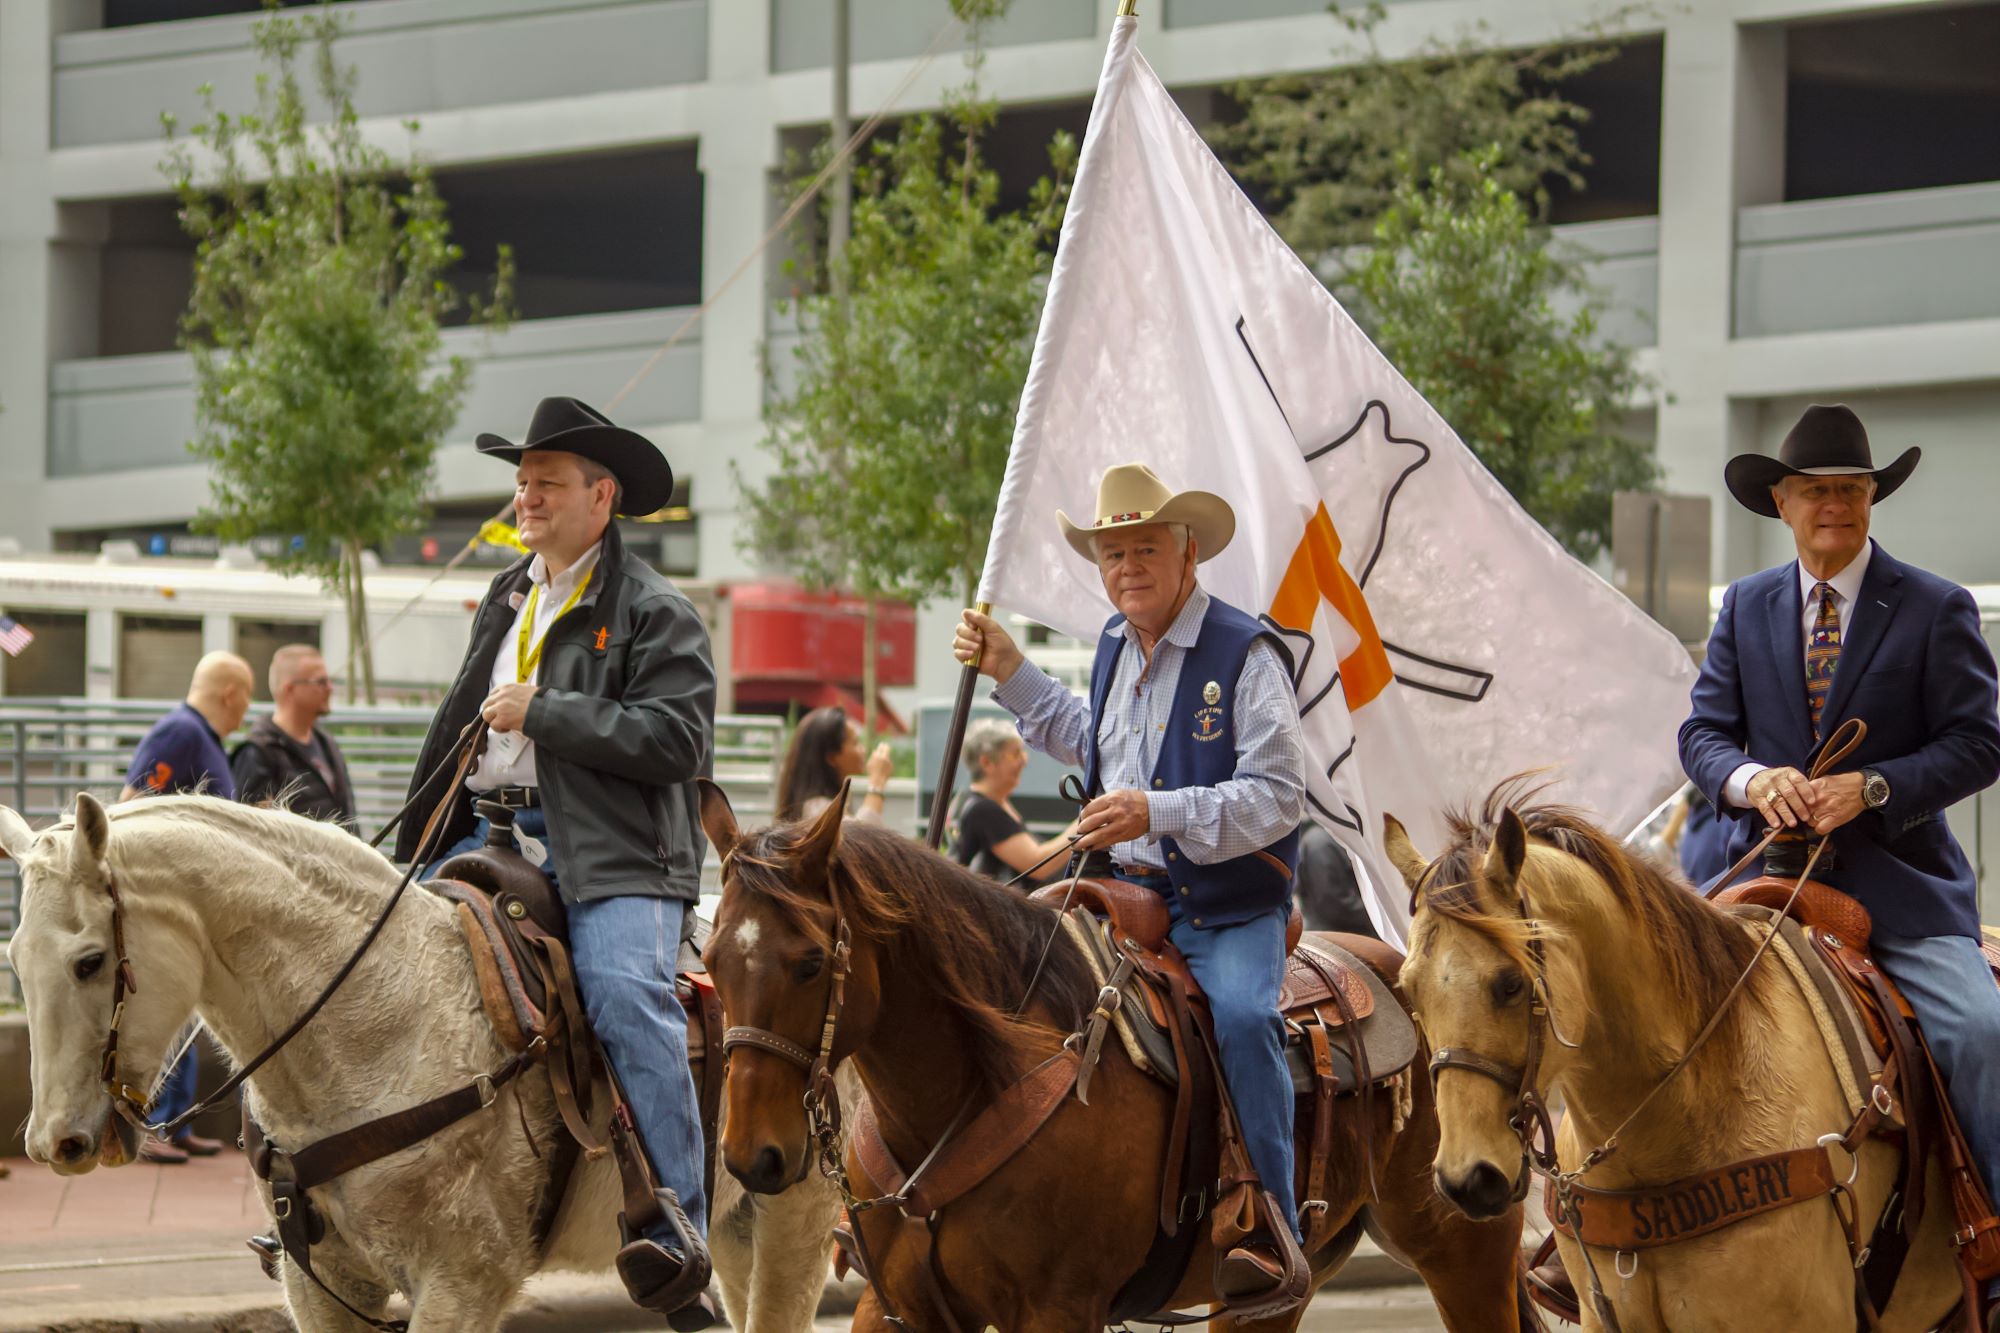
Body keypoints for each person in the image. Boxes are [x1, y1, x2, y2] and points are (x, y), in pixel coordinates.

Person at [951, 461, 1310, 1308]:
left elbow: (1279, 797)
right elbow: (1093, 741)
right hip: (1120, 894)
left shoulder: (1245, 650)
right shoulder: (1115, 642)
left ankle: (1272, 1222)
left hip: (1224, 906)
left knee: (1249, 1018)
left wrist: (1157, 810)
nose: (1126, 568)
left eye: (1145, 548)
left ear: (1191, 554)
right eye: (1112, 555)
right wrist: (1010, 668)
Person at [395, 397, 717, 1328]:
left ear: (601, 496)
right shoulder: (506, 593)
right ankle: (348, 1203)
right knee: (366, 964)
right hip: (486, 833)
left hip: (616, 855)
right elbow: (456, 718)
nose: (527, 496)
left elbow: (676, 738)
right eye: (522, 481)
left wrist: (544, 711)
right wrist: (414, 827)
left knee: (625, 997)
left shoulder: (656, 610)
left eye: (547, 482)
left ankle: (678, 1233)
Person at [1679, 403, 2000, 1326]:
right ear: (1781, 503)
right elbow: (1702, 733)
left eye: (1852, 490)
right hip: (1766, 877)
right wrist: (1748, 779)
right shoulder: (1744, 606)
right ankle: (1586, 1224)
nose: (1835, 505)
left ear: (1872, 500)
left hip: (1902, 892)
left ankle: (1996, 1233)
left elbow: (1978, 745)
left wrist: (1872, 789)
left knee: (1979, 1036)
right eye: (1816, 490)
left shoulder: (1937, 605)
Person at [116, 650, 252, 1163]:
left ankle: (172, 1122)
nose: (246, 710)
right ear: (230, 694)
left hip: (192, 901)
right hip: (167, 900)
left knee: (191, 1013)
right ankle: (152, 1124)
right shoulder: (181, 732)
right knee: (167, 1012)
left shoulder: (200, 738)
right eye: (246, 696)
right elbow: (133, 805)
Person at [230, 644, 358, 831]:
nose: (329, 688)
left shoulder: (325, 742)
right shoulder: (258, 753)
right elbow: (254, 835)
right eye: (320, 682)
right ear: (290, 688)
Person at [947, 717, 1075, 884]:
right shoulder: (984, 810)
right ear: (986, 762)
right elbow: (1038, 864)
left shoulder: (974, 801)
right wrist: (1084, 822)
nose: (1024, 760)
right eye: (1015, 754)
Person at [773, 705, 891, 824]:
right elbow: (862, 837)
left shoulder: (820, 804)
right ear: (832, 757)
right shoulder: (817, 809)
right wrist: (877, 781)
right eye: (855, 742)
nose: (863, 750)